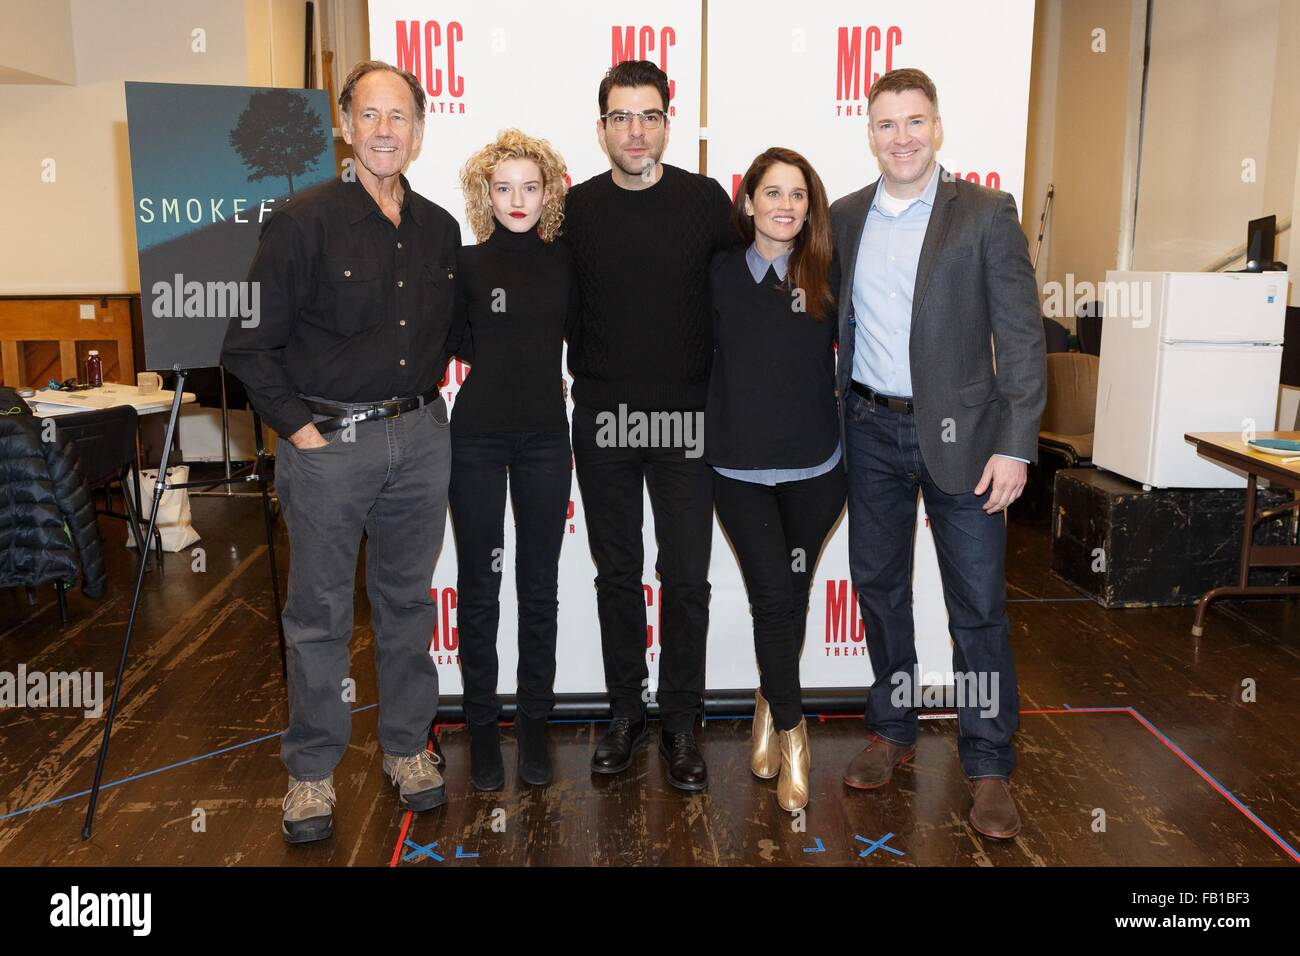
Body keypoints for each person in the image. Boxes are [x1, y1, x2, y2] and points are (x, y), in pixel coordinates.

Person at [222, 60, 463, 844]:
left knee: (404, 605)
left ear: (419, 131)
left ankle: (406, 751)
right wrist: (301, 433)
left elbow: (457, 332)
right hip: (328, 447)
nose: (385, 130)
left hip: (421, 439)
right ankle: (312, 773)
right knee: (318, 615)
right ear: (346, 126)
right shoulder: (299, 223)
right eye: (371, 115)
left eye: (400, 117)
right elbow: (249, 346)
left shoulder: (439, 229)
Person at [829, 67, 1046, 839]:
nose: (902, 138)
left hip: (968, 440)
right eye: (886, 124)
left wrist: (1017, 447)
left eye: (914, 121)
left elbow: (1022, 341)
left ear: (938, 126)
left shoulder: (986, 213)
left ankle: (988, 760)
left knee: (978, 608)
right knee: (881, 589)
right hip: (870, 432)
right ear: (870, 133)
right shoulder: (846, 217)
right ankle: (892, 728)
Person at [563, 60, 735, 791]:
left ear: (670, 120)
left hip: (686, 416)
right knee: (617, 576)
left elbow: (743, 302)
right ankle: (626, 712)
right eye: (621, 117)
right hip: (603, 412)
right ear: (601, 127)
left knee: (687, 576)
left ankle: (682, 720)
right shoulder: (571, 209)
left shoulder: (708, 202)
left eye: (649, 115)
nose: (636, 130)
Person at [706, 148, 845, 812]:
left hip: (817, 472)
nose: (785, 206)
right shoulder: (718, 275)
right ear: (749, 202)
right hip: (738, 472)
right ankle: (795, 735)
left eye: (798, 195)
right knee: (772, 598)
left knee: (793, 593)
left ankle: (769, 701)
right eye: (773, 192)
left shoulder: (827, 271)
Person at [448, 129, 573, 791]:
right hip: (475, 437)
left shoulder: (566, 263)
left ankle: (533, 730)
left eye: (530, 186)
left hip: (548, 440)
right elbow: (457, 338)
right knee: (479, 589)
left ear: (548, 192)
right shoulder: (466, 266)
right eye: (504, 187)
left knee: (540, 588)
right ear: (485, 194)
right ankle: (481, 734)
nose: (517, 199)